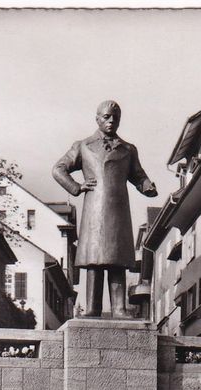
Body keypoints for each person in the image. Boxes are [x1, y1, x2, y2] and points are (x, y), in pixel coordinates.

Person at [52, 100, 157, 318]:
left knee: (116, 258)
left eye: (115, 118)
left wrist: (147, 186)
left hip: (118, 209)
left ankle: (119, 308)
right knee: (95, 259)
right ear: (97, 119)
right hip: (95, 208)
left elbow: (139, 175)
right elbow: (59, 169)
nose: (111, 121)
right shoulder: (83, 145)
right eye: (106, 117)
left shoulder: (128, 149)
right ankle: (92, 307)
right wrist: (77, 187)